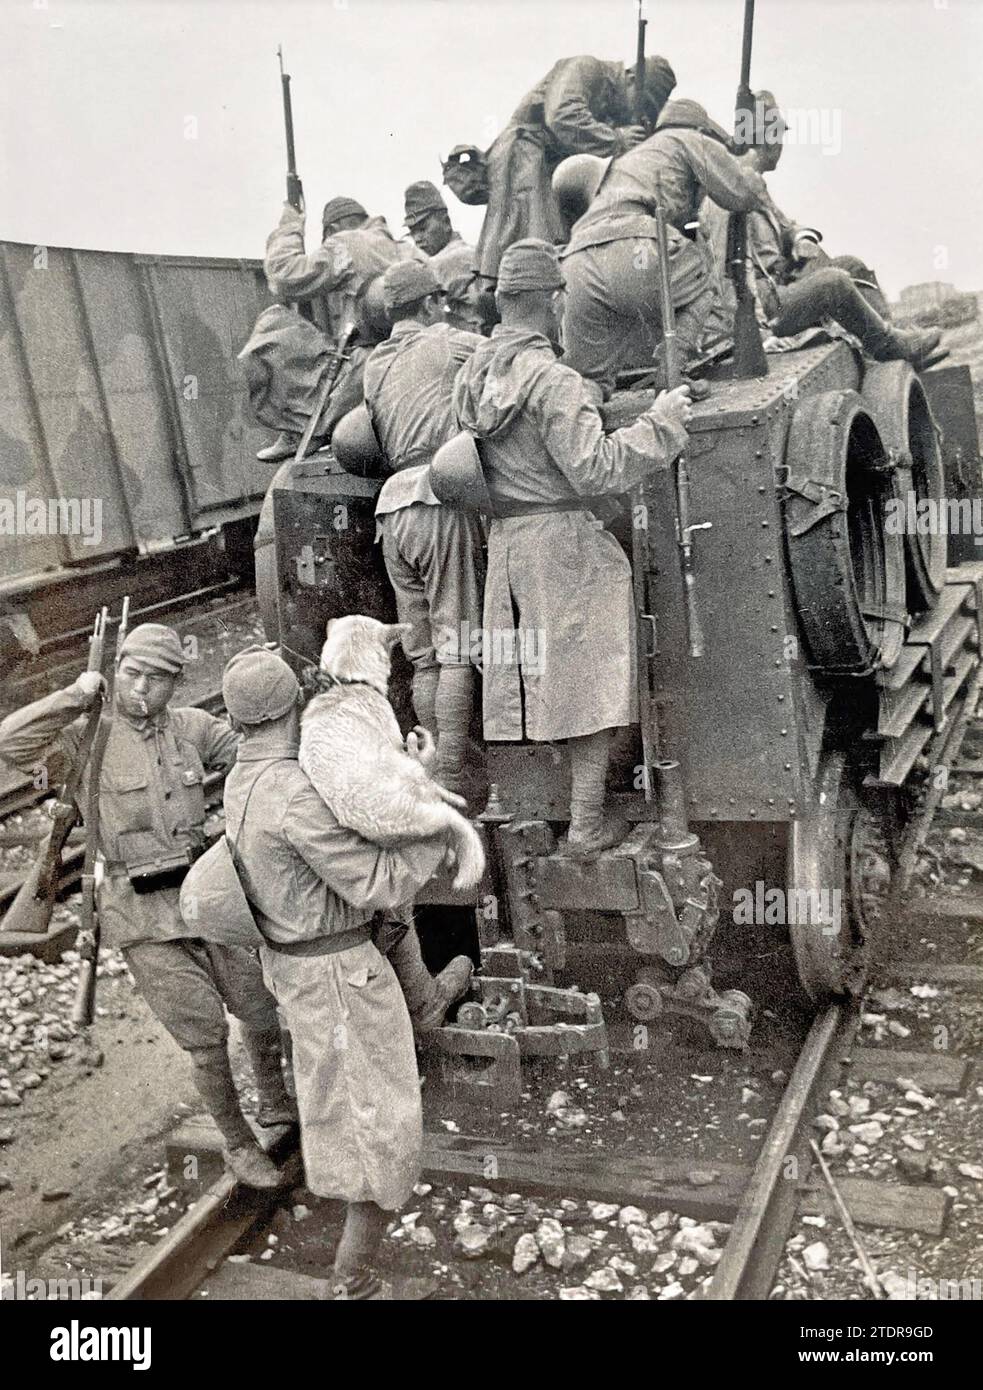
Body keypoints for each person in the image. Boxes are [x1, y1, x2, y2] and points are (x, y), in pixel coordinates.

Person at [0, 625, 294, 1190]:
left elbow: (258, 753)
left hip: (209, 898)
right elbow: (11, 744)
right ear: (117, 674)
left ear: (174, 684)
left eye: (156, 679)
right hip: (143, 917)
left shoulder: (190, 728)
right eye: (131, 674)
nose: (141, 688)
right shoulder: (89, 742)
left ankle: (278, 1106)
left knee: (259, 1007)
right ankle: (238, 1144)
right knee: (204, 1037)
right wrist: (74, 697)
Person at [221, 647, 451, 1298]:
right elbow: (378, 881)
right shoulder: (292, 793)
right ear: (293, 707)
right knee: (376, 1120)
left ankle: (350, 1255)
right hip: (339, 978)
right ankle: (351, 1279)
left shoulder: (245, 780)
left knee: (342, 1109)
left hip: (299, 969)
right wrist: (428, 805)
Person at [452, 239, 693, 857]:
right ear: (554, 301)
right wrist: (661, 420)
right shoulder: (552, 380)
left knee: (542, 680)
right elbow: (595, 469)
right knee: (591, 680)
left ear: (504, 302)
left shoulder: (474, 376)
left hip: (510, 545)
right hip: (564, 544)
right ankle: (586, 825)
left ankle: (557, 811)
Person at [699, 91, 945, 370]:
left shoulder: (753, 185)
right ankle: (890, 346)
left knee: (851, 265)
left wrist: (800, 237)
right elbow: (722, 276)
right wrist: (760, 334)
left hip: (779, 288)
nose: (781, 143)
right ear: (765, 138)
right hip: (764, 308)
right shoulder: (723, 198)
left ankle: (891, 349)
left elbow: (785, 226)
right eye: (778, 135)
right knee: (834, 283)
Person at [364, 259, 485, 798]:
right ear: (434, 303)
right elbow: (510, 359)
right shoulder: (446, 341)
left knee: (425, 655)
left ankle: (434, 767)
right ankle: (456, 772)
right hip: (440, 495)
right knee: (459, 643)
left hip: (391, 511)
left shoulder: (374, 363)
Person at [559, 99, 770, 396]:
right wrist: (749, 168)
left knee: (590, 380)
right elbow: (741, 194)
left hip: (576, 259)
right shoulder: (688, 138)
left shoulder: (631, 159)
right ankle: (672, 371)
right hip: (634, 245)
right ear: (699, 128)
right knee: (703, 277)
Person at [473, 53, 676, 286]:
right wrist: (617, 139)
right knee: (530, 247)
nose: (633, 114)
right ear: (630, 78)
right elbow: (562, 115)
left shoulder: (611, 105)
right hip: (524, 159)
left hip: (546, 167)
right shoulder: (586, 68)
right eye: (641, 104)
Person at [241, 196, 417, 463]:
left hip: (369, 369)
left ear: (332, 230)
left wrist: (291, 225)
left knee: (273, 326)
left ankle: (303, 426)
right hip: (412, 362)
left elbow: (284, 275)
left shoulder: (346, 242)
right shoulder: (408, 250)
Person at [403, 180, 485, 333]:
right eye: (412, 232)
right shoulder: (470, 252)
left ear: (445, 221)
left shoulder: (448, 260)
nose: (417, 238)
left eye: (422, 228)